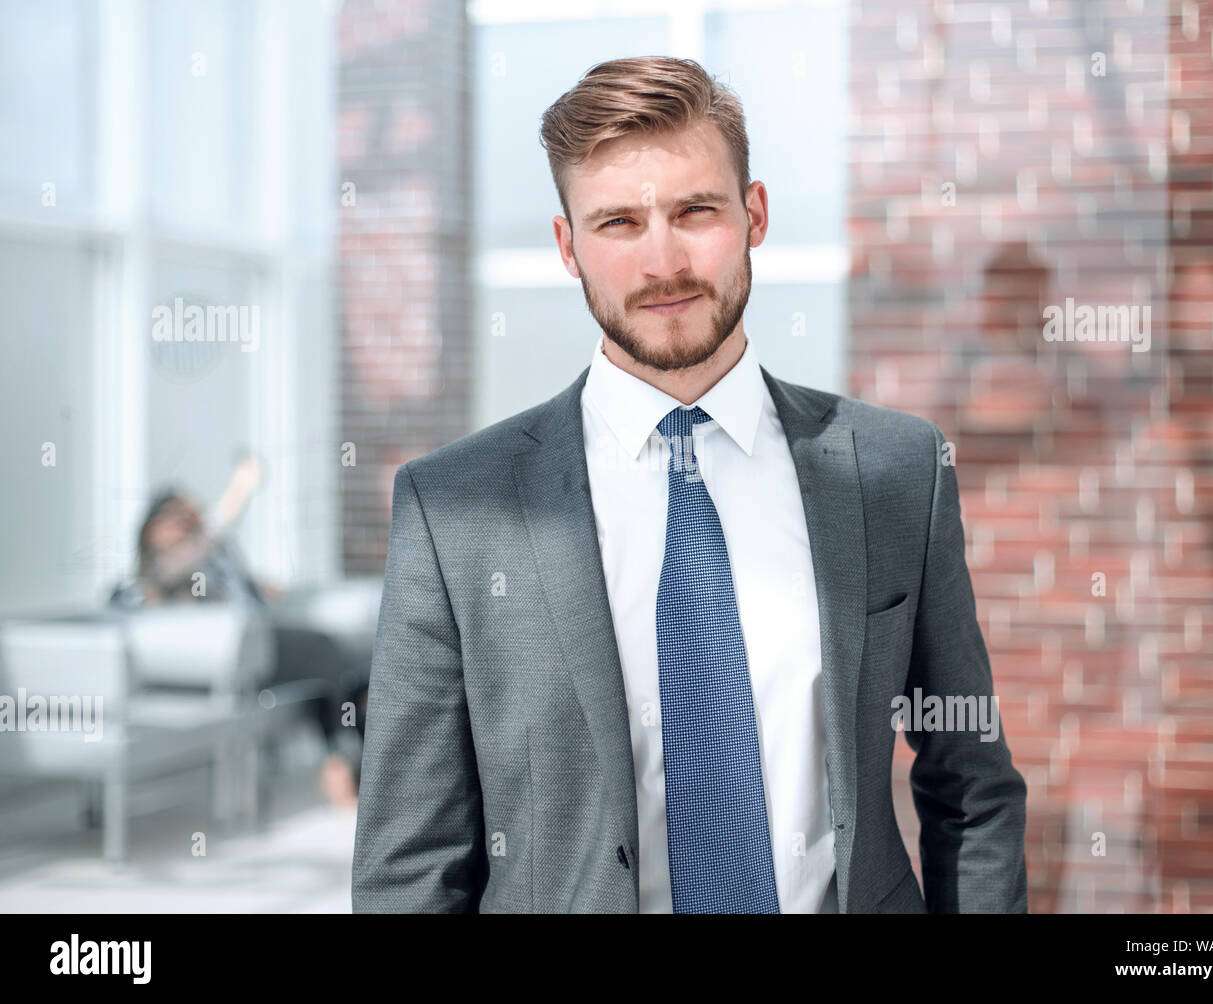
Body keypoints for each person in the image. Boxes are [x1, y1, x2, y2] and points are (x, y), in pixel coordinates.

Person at [352, 56, 1027, 913]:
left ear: (754, 215)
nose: (662, 261)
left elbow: (971, 785)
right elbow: (411, 864)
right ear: (569, 247)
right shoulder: (455, 510)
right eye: (619, 223)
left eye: (695, 211)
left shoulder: (896, 472)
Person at [109, 458, 368, 809]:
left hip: (261, 640)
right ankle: (341, 761)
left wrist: (260, 588)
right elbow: (210, 536)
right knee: (328, 654)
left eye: (193, 513)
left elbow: (232, 579)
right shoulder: (162, 568)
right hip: (236, 656)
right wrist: (242, 485)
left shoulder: (211, 557)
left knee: (345, 670)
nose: (191, 522)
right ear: (153, 529)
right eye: (180, 517)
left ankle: (350, 758)